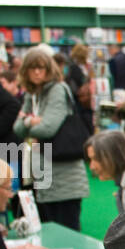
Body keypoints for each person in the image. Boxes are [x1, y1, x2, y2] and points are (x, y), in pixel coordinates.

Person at [12, 46, 89, 231]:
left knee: (67, 233)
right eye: (32, 68)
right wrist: (32, 121)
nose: (37, 72)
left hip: (62, 175)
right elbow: (17, 128)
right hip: (40, 173)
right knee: (46, 232)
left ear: (50, 69)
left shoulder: (57, 89)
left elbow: (48, 128)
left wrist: (27, 121)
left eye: (42, 68)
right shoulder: (33, 94)